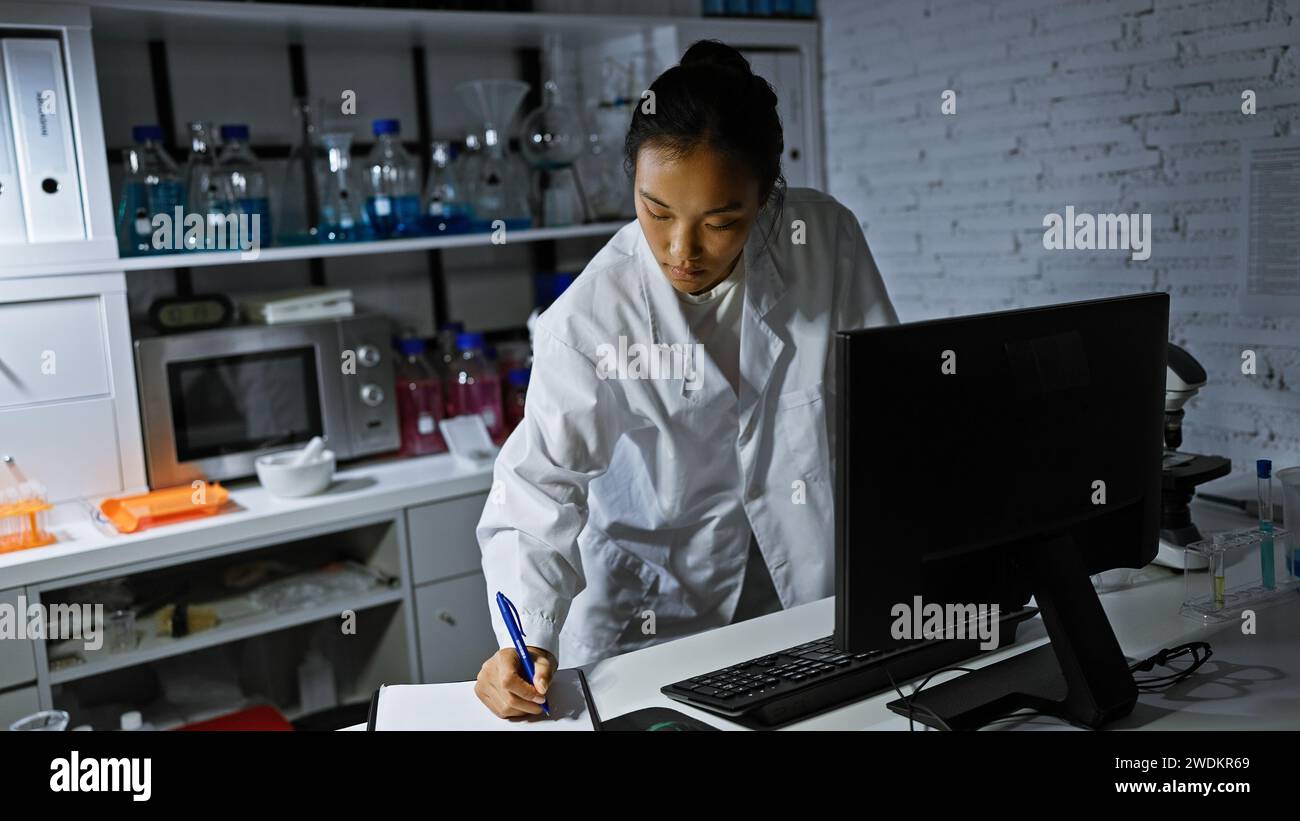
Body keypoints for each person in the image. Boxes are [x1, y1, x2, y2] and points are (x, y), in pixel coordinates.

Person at [473, 39, 898, 719]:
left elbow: (889, 408)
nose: (681, 251)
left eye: (722, 220)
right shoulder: (590, 318)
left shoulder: (824, 239)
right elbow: (537, 486)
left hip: (804, 599)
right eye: (657, 212)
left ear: (766, 195)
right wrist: (521, 641)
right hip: (651, 619)